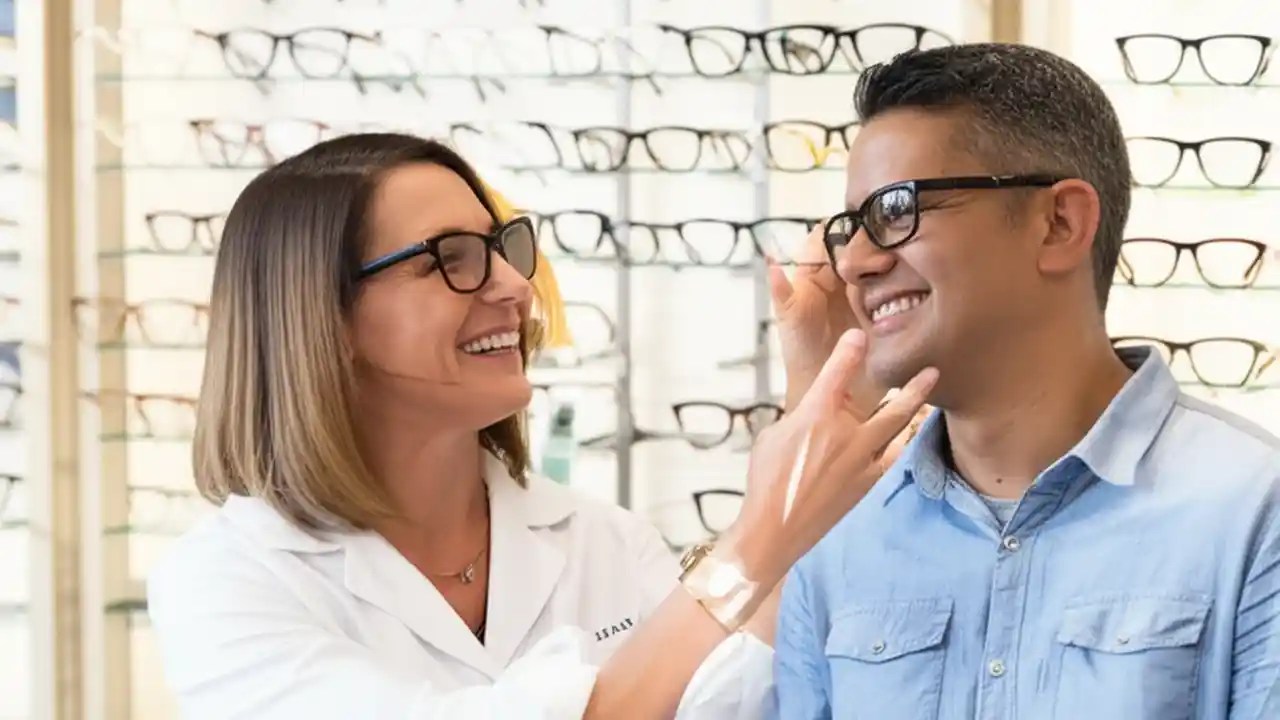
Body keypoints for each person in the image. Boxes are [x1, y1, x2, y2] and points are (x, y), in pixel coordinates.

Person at [145, 132, 937, 719]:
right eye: (451, 258)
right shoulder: (227, 583)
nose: (513, 286)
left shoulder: (602, 542)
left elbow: (728, 699)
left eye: (502, 247)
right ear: (323, 316)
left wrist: (820, 396)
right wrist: (753, 540)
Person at [768, 42, 1280, 719]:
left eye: (896, 210)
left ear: (1059, 223)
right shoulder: (839, 533)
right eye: (850, 226)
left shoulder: (1253, 512)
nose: (857, 262)